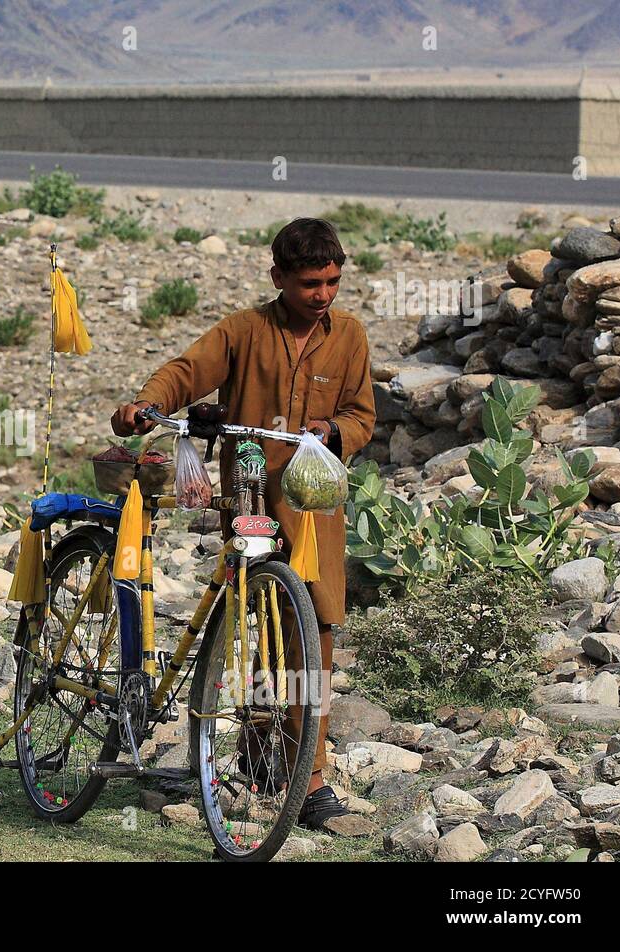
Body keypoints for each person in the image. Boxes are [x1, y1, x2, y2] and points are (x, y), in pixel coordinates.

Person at [111, 217, 375, 831]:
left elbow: (362, 416)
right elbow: (186, 371)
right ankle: (257, 761)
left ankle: (310, 777)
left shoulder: (351, 336)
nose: (323, 295)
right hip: (251, 501)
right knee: (254, 627)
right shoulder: (244, 331)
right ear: (278, 276)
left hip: (315, 509)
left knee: (317, 632)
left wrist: (333, 432)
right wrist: (148, 402)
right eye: (311, 283)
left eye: (333, 282)